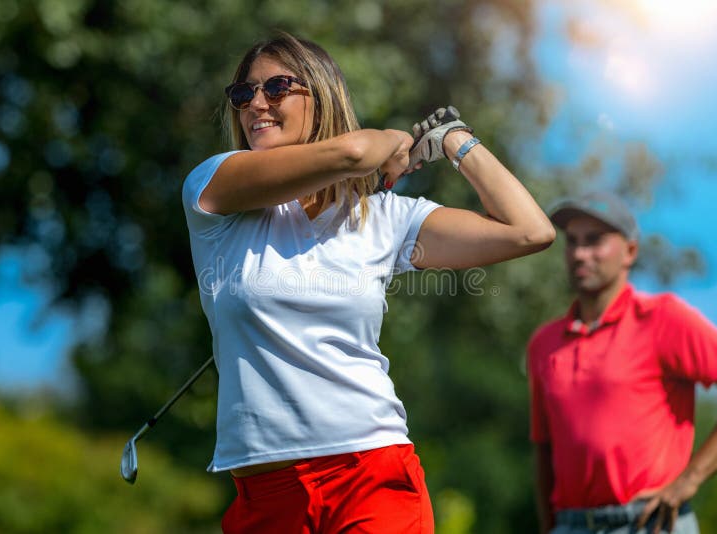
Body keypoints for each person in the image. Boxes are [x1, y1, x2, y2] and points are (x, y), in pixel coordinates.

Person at [181, 31, 555, 533]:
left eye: (277, 88)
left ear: (323, 94)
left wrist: (454, 140)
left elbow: (528, 231)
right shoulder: (213, 189)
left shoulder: (385, 217)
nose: (257, 105)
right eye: (244, 93)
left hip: (371, 477)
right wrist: (395, 142)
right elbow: (356, 154)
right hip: (267, 496)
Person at [527, 191, 717, 534]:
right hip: (571, 525)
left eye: (595, 241)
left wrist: (690, 480)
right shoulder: (544, 344)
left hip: (650, 523)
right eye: (572, 242)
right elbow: (544, 451)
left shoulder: (663, 319)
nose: (580, 253)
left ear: (630, 251)